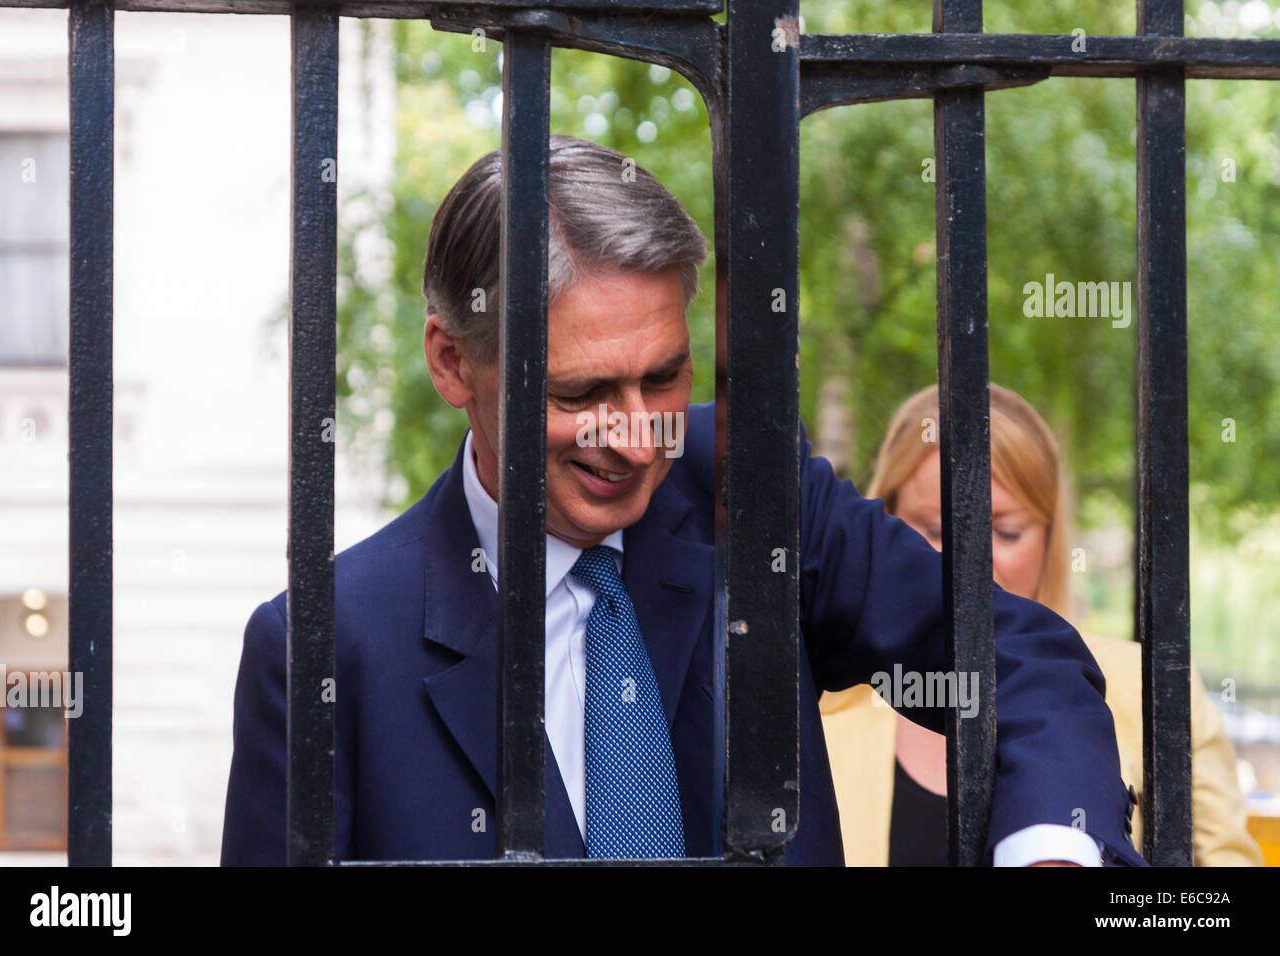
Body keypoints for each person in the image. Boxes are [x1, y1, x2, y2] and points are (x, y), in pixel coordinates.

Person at [220, 135, 1144, 866]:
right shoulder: (322, 652)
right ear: (452, 360)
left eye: (663, 378)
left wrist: (1051, 856)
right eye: (580, 394)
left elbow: (1016, 662)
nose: (634, 438)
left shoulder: (748, 489)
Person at [820, 382, 1262, 866]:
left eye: (1006, 531)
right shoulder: (818, 700)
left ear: (1051, 539)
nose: (968, 561)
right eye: (932, 529)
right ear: (882, 527)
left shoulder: (1149, 686)